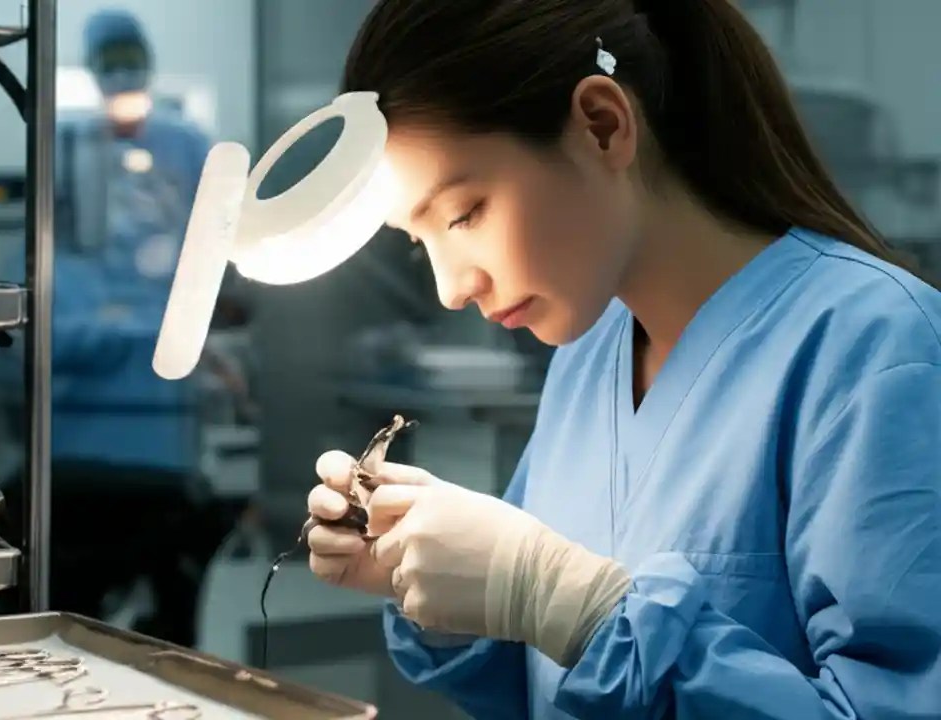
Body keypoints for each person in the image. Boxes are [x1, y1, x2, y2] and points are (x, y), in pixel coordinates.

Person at [304, 1, 941, 718]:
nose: (452, 288)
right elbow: (552, 687)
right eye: (420, 241)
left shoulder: (875, 349)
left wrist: (573, 606)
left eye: (464, 214)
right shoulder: (591, 352)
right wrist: (437, 586)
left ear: (602, 126)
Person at [0, 9, 242, 647]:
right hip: (82, 460)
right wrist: (151, 332)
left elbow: (211, 252)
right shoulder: (54, 254)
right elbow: (31, 349)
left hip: (158, 451)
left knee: (158, 622)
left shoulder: (185, 145)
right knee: (71, 620)